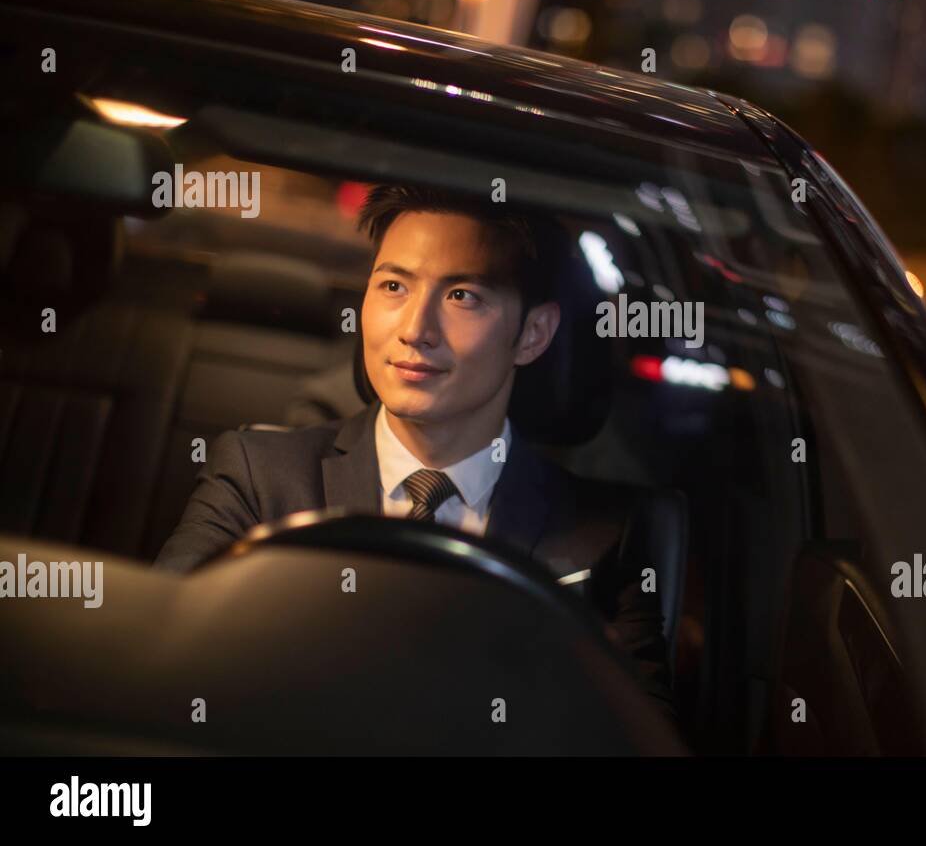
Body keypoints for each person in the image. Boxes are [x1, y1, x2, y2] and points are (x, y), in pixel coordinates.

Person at [155, 183, 675, 719]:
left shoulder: (606, 534)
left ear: (534, 333)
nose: (414, 330)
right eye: (394, 286)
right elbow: (158, 655)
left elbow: (638, 734)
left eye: (462, 296)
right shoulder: (258, 475)